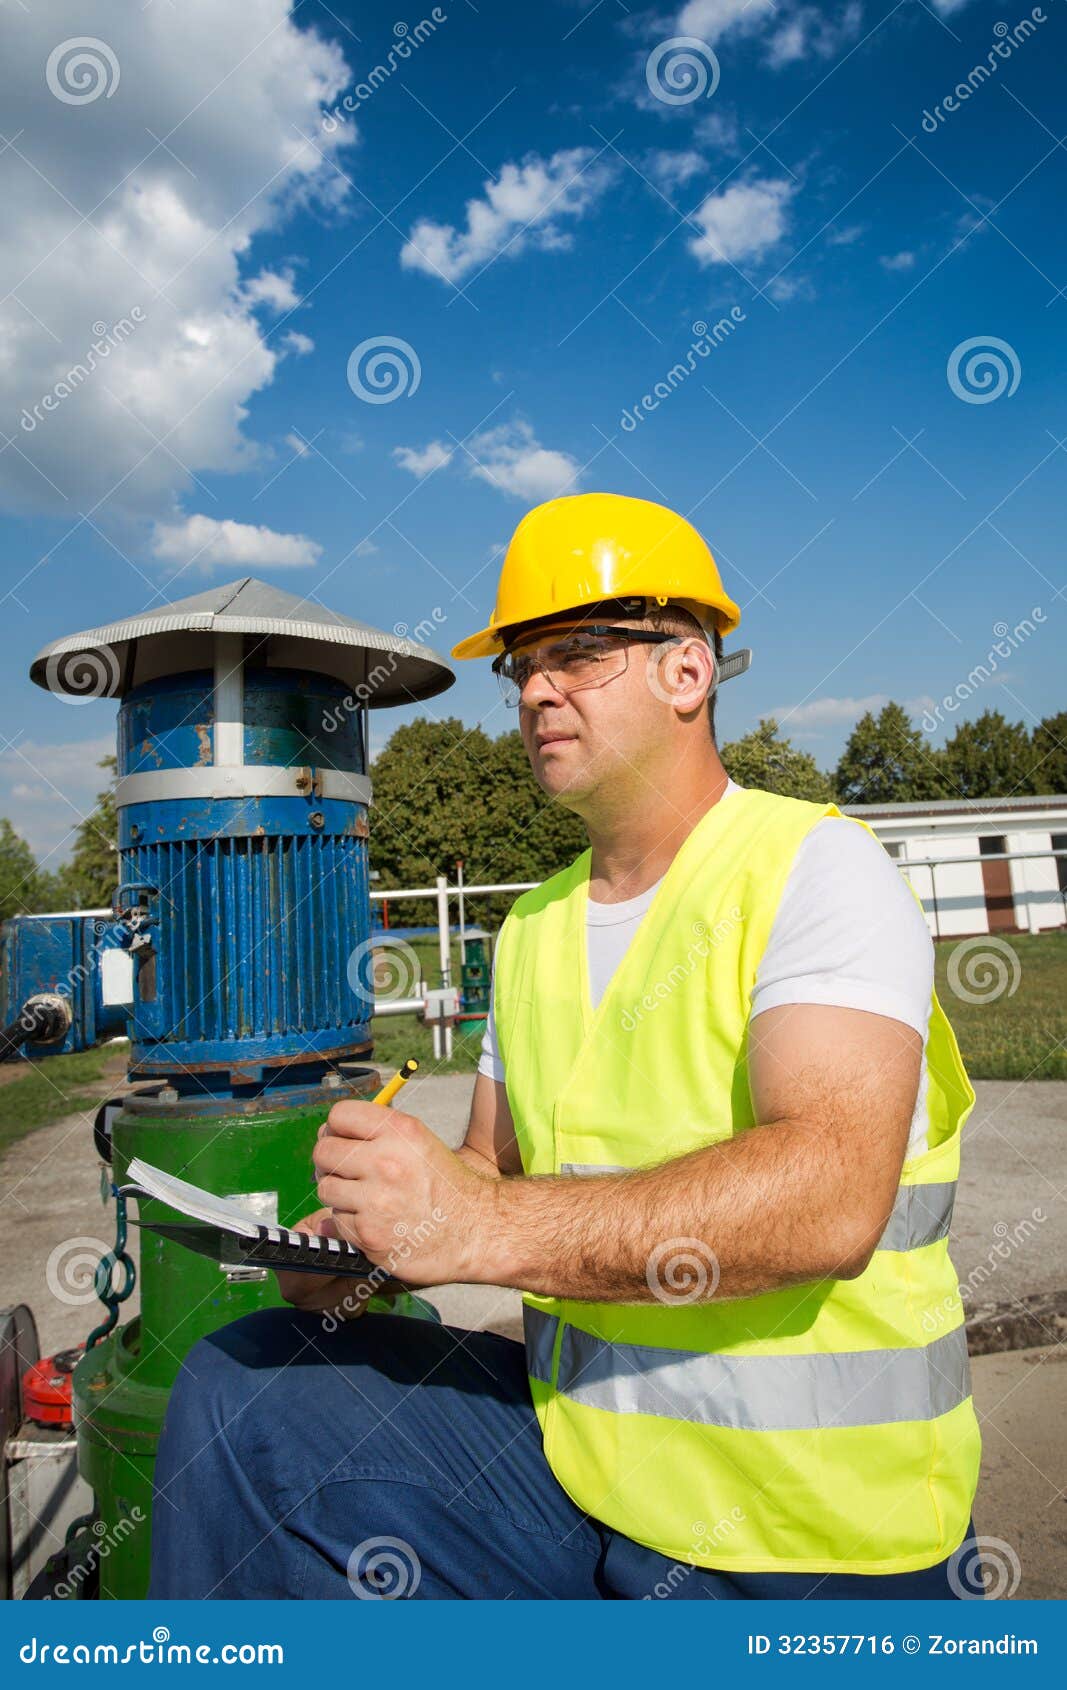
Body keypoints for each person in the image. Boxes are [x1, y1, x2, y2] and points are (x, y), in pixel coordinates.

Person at [150, 492, 983, 1600]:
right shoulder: (533, 926)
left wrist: (478, 1223)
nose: (536, 688)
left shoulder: (813, 870)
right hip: (580, 1473)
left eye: (577, 652)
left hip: (806, 1534)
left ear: (687, 673)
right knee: (240, 1386)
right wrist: (369, 1246)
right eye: (522, 665)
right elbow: (487, 1169)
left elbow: (829, 1195)